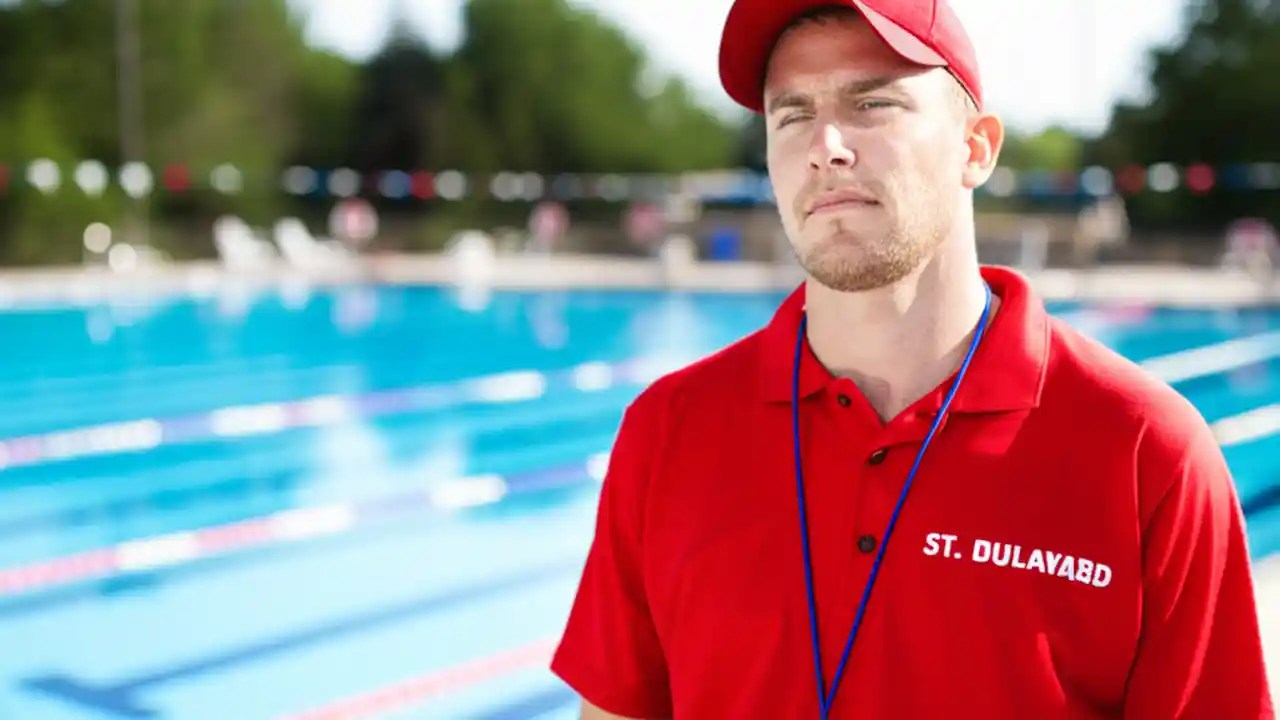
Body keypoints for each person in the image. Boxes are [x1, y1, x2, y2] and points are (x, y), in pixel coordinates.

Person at [550, 1, 1276, 717]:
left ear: (976, 148)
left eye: (872, 103)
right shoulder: (669, 432)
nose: (825, 144)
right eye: (792, 113)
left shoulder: (1146, 452)